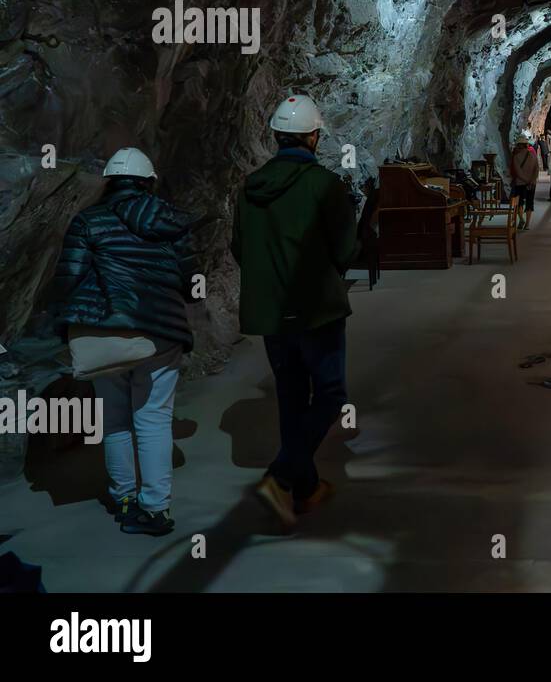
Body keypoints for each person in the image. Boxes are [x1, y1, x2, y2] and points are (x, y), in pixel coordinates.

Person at [50, 147, 201, 536]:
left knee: (115, 418)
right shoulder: (169, 221)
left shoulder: (88, 221)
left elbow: (69, 277)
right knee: (152, 419)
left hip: (106, 333)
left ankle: (124, 499)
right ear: (149, 182)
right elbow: (192, 280)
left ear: (109, 182)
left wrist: (63, 326)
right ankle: (154, 510)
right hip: (161, 333)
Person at [231, 95, 359, 531]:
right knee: (329, 394)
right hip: (316, 310)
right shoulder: (324, 185)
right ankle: (281, 476)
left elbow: (238, 249)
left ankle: (303, 490)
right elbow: (346, 249)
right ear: (313, 136)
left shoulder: (249, 187)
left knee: (291, 396)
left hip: (271, 313)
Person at [508, 133, 540, 229]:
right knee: (530, 202)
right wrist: (531, 180)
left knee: (519, 203)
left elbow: (517, 172)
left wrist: (525, 180)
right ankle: (527, 224)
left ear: (518, 145)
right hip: (531, 183)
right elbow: (536, 169)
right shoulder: (533, 155)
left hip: (520, 183)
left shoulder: (516, 157)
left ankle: (521, 219)